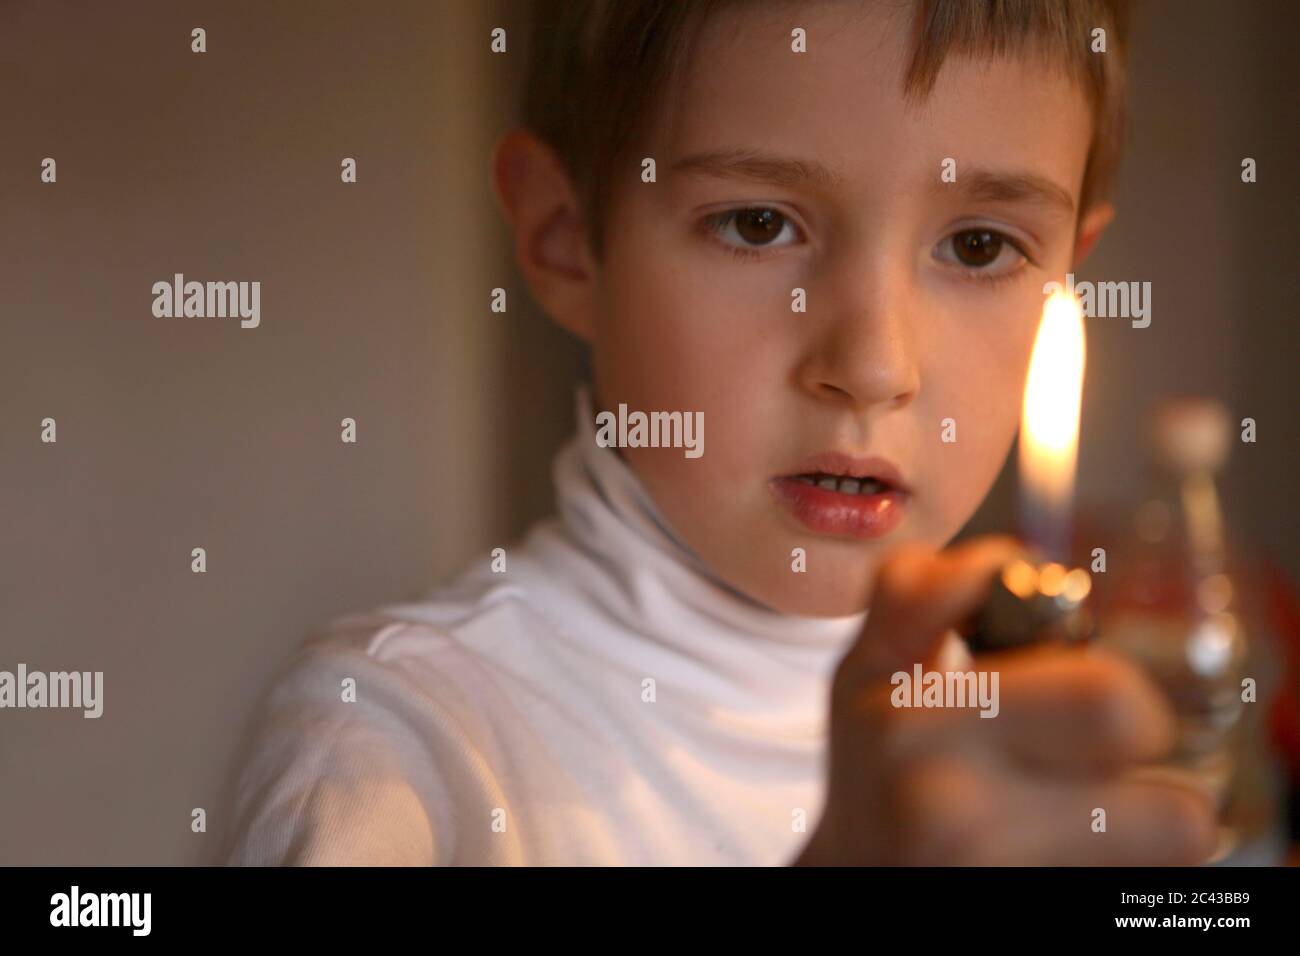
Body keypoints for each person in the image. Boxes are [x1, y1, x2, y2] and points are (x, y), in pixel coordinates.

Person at [225, 0, 1218, 866]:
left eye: (978, 244)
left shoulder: (1050, 757)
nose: (873, 365)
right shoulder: (400, 751)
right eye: (755, 224)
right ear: (565, 239)